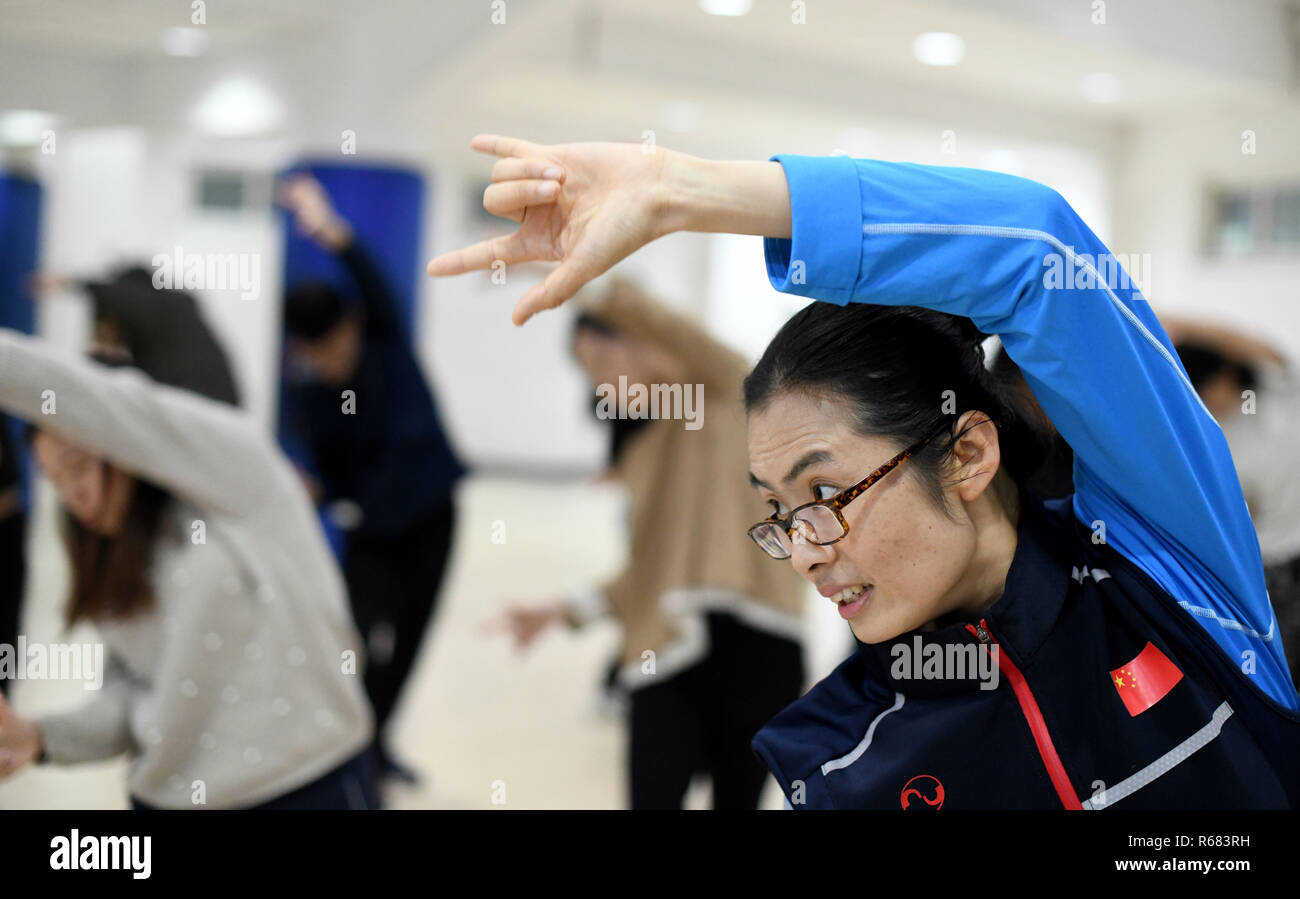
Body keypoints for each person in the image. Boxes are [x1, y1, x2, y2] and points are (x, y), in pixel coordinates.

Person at [428, 134, 1300, 809]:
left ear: (966, 453)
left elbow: (1038, 254)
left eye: (823, 491)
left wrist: (679, 192)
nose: (805, 551)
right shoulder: (851, 753)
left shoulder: (1170, 568)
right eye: (779, 511)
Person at [0, 330, 376, 809]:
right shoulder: (108, 549)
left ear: (122, 441)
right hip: (168, 798)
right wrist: (42, 737)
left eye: (78, 466)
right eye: (57, 480)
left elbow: (102, 403)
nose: (75, 496)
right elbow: (135, 693)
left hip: (305, 786)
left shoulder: (239, 478)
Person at [498, 277, 807, 809]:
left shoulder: (727, 388)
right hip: (665, 652)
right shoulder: (642, 450)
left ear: (635, 339)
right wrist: (561, 610)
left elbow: (664, 324)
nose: (597, 384)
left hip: (761, 645)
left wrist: (579, 270)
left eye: (597, 362)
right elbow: (647, 569)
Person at [278, 175, 465, 785]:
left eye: (332, 347)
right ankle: (345, 753)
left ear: (352, 327)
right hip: (371, 533)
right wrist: (314, 491)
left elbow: (368, 275)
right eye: (313, 355)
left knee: (408, 642)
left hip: (431, 515)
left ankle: (376, 750)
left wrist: (325, 224)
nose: (327, 363)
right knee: (356, 641)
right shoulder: (307, 393)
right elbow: (330, 474)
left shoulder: (384, 340)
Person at [1165, 317, 1300, 689]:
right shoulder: (1214, 439)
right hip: (1273, 560)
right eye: (1199, 393)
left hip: (1293, 547)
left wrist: (1183, 326)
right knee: (1285, 664)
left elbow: (1252, 344)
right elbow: (1237, 513)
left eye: (1209, 389)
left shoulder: (1279, 392)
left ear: (1226, 374)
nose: (1209, 400)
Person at [33, 266, 242, 406]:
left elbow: (117, 294)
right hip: (217, 408)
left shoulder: (161, 304)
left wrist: (66, 284)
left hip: (203, 405)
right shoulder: (171, 321)